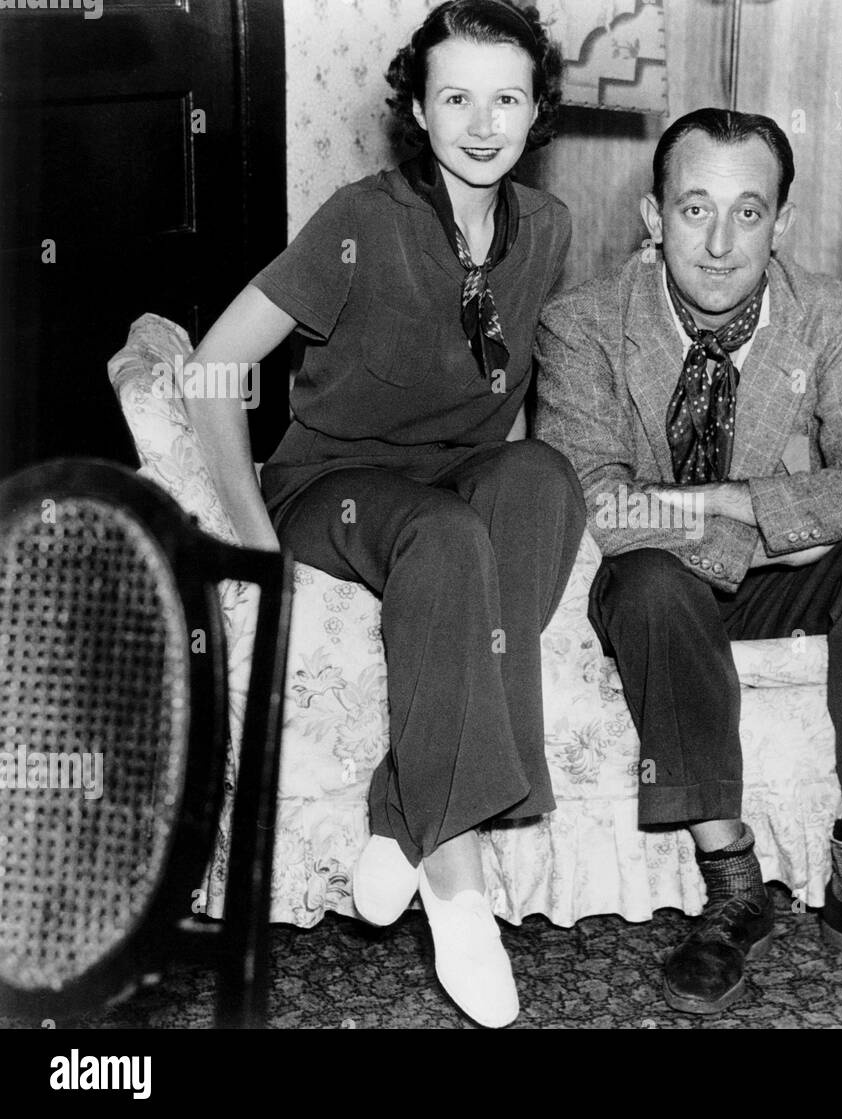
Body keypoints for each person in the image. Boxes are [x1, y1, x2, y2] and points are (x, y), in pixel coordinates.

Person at [183, 0, 585, 1028]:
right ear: (416, 105)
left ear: (538, 110)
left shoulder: (547, 229)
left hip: (464, 473)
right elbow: (215, 368)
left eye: (507, 97)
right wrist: (252, 535)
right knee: (446, 538)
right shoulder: (360, 219)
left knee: (542, 482)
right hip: (333, 485)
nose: (482, 123)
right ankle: (457, 893)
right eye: (456, 97)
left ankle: (400, 807)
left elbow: (532, 399)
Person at [536, 108, 842, 1014]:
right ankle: (734, 889)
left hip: (782, 576)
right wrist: (790, 522)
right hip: (666, 579)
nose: (721, 244)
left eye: (748, 213)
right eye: (694, 210)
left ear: (784, 224)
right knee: (650, 583)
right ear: (653, 217)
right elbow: (603, 501)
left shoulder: (830, 312)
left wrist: (739, 503)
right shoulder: (581, 323)